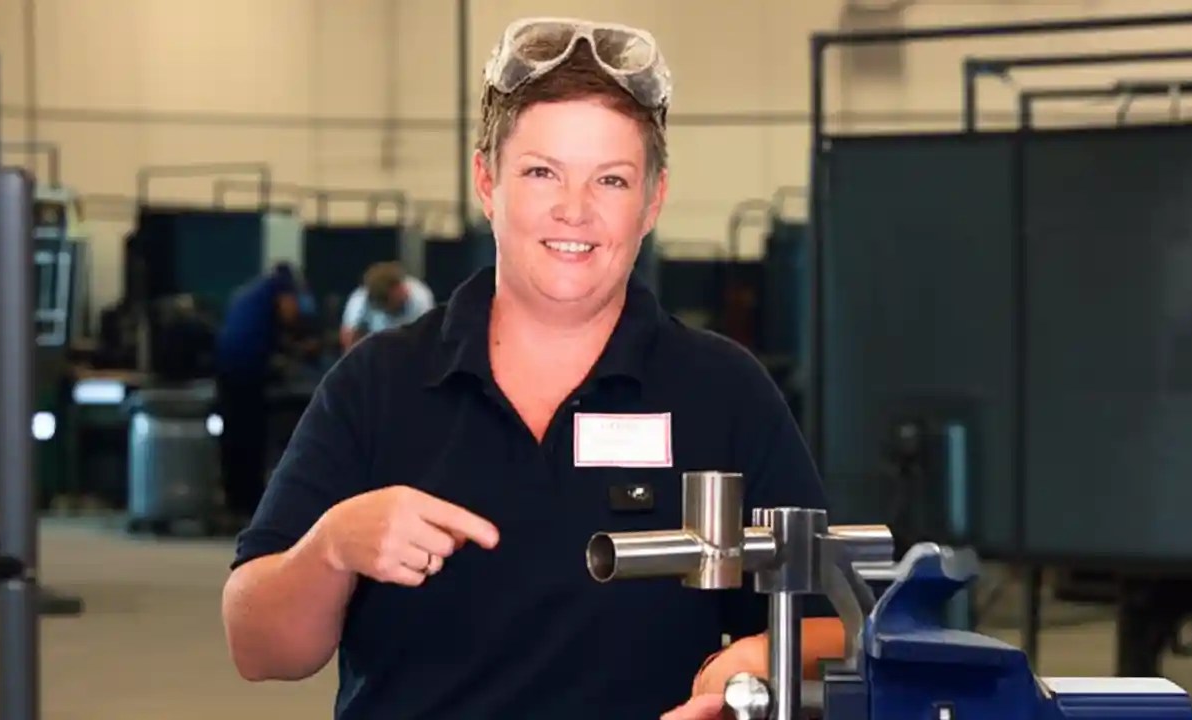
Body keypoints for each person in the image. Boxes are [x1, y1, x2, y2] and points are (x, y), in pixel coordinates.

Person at [221, 18, 844, 720]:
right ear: (488, 182)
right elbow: (257, 647)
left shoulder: (723, 393)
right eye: (541, 171)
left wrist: (755, 664)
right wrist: (331, 548)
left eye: (610, 179)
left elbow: (832, 624)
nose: (573, 211)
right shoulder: (379, 384)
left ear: (652, 201)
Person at [214, 263, 303, 521]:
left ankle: (234, 502)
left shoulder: (246, 293)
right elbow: (289, 314)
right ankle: (251, 505)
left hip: (226, 370)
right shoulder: (280, 288)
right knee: (251, 439)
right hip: (248, 373)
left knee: (232, 439)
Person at [339, 260, 435, 351]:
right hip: (374, 352)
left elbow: (427, 341)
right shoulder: (360, 300)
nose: (404, 292)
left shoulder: (421, 298)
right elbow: (348, 337)